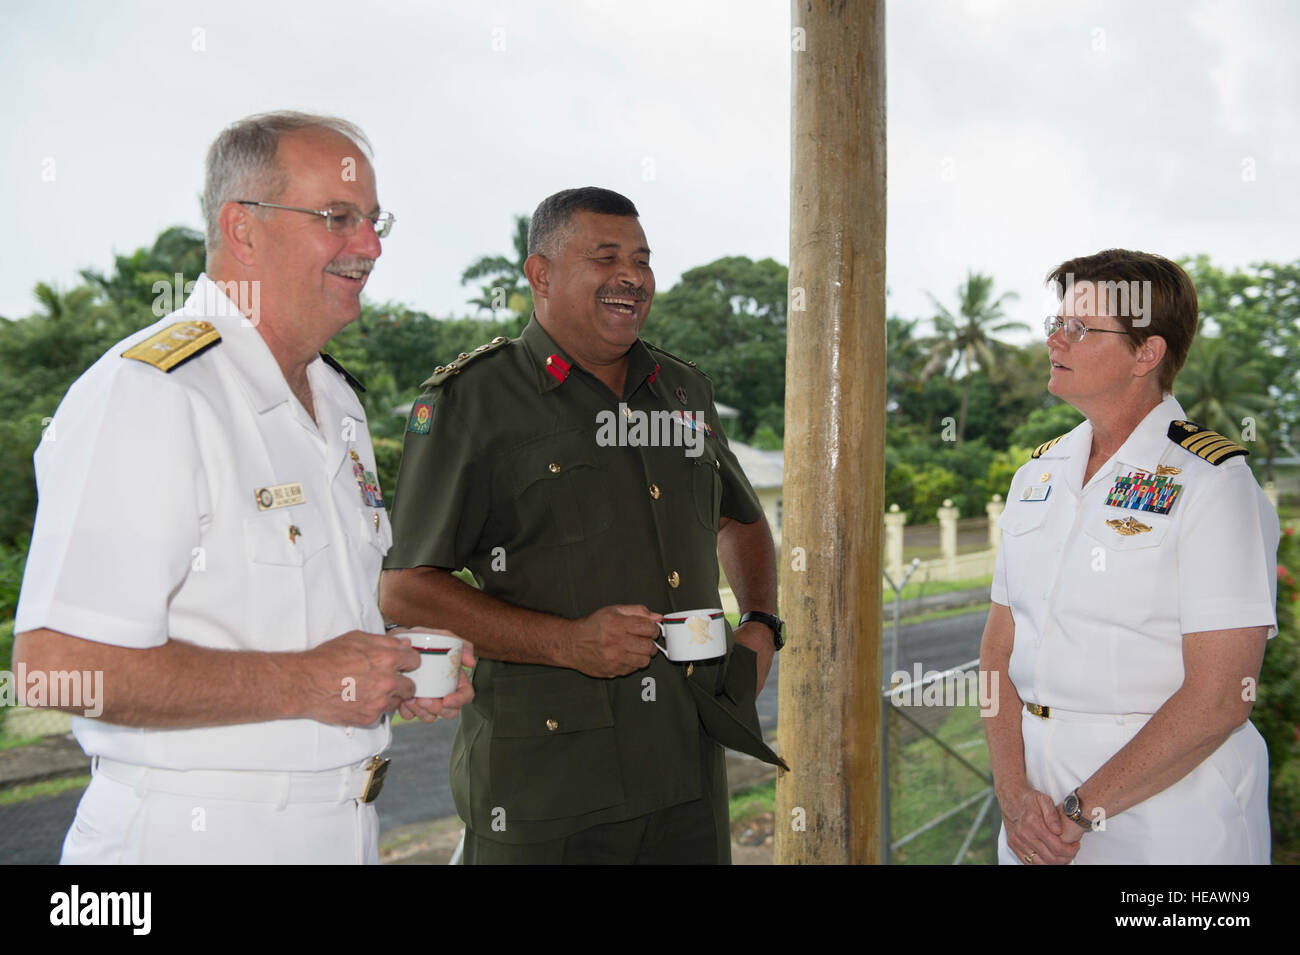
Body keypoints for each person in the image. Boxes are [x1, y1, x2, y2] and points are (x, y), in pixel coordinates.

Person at [12, 111, 472, 865]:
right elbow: (56, 666)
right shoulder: (154, 393)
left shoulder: (340, 404)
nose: (372, 246)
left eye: (375, 220)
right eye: (339, 218)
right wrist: (310, 682)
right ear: (243, 228)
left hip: (341, 829)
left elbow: (293, 631)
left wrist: (386, 671)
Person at [380, 186, 788, 865]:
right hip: (545, 785)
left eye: (642, 259)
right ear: (541, 275)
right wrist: (568, 642)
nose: (632, 276)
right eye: (606, 257)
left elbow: (740, 518)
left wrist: (762, 623)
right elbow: (405, 589)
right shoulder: (470, 402)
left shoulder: (683, 391)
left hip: (686, 765)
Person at [980, 249, 1279, 865]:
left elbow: (1222, 694)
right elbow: (997, 652)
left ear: (1148, 353)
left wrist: (1076, 814)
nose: (1055, 340)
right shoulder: (1037, 473)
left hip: (1170, 812)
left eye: (1081, 329)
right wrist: (1013, 797)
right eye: (1055, 324)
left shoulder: (1211, 480)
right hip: (1033, 809)